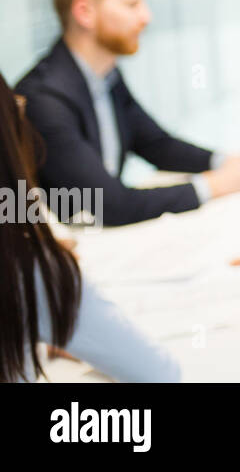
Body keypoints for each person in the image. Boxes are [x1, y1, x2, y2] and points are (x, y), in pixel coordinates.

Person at [15, 0, 240, 226]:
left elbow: (156, 144)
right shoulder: (44, 100)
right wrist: (214, 185)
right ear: (84, 12)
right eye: (131, 5)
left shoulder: (104, 77)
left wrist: (225, 162)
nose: (146, 17)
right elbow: (110, 205)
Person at [0, 71, 181, 383]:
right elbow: (159, 373)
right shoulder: (28, 270)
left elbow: (158, 144)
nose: (144, 18)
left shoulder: (111, 82)